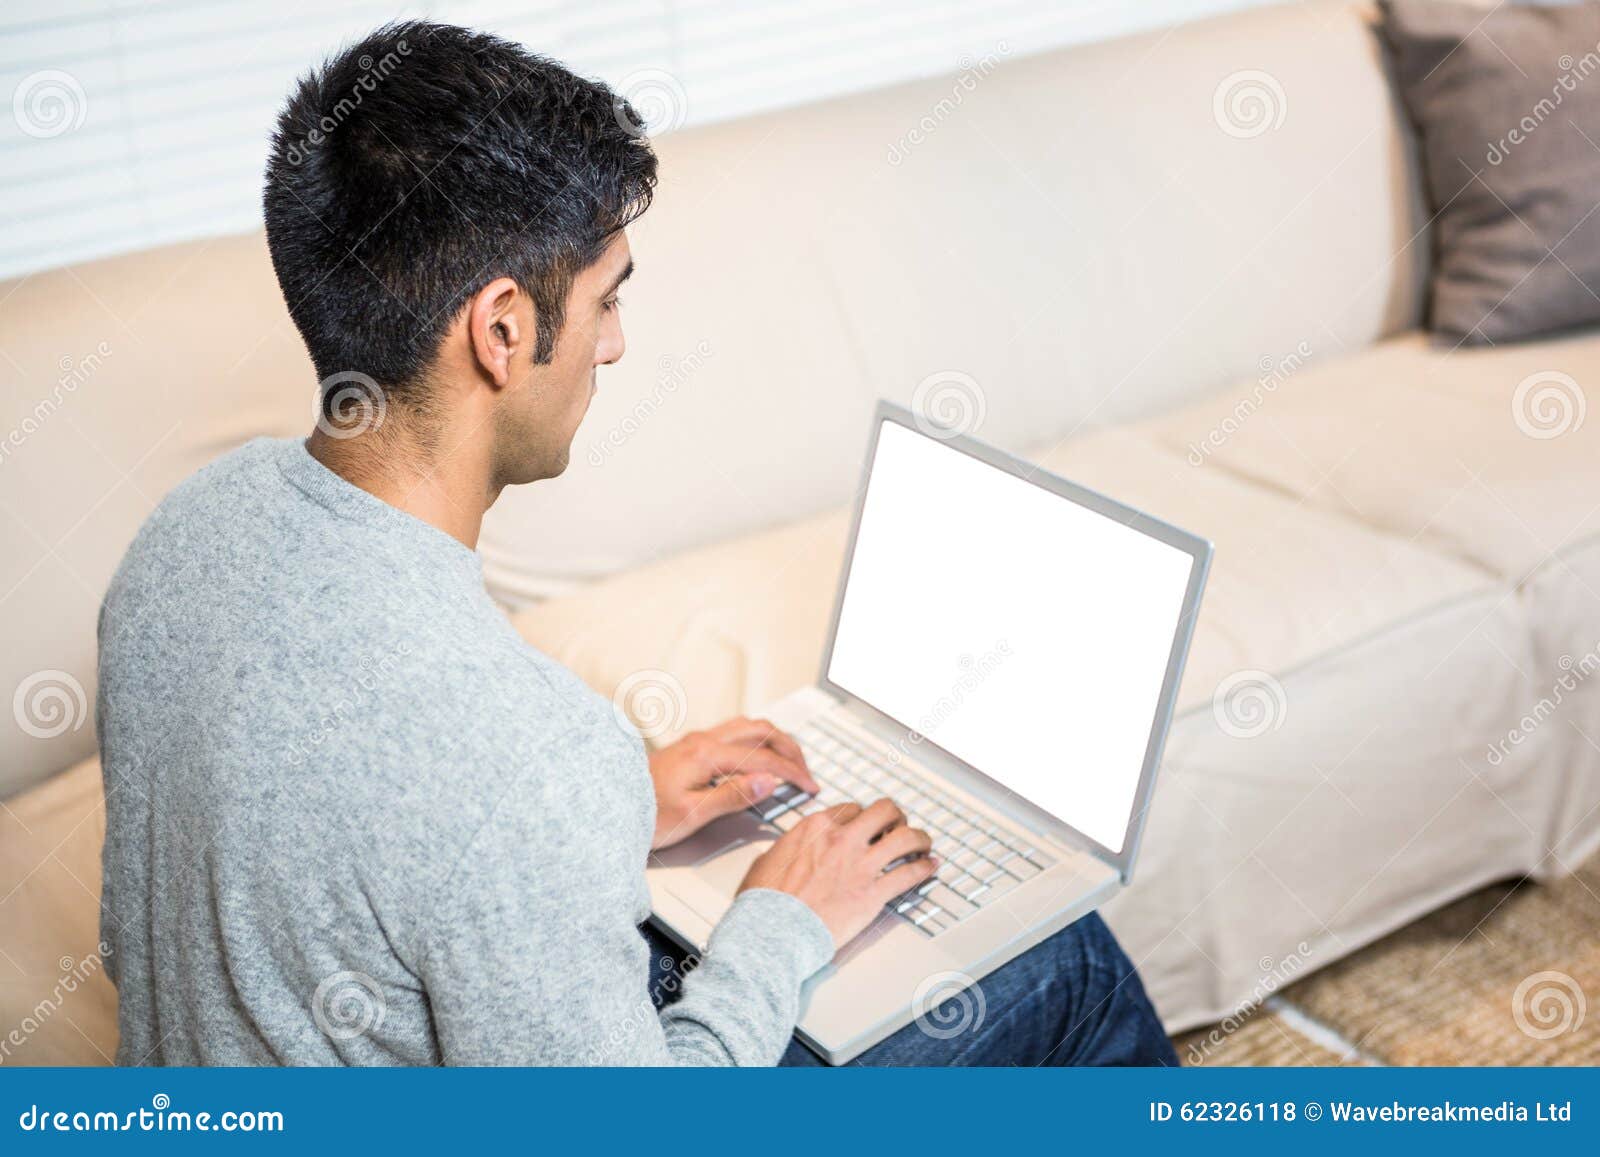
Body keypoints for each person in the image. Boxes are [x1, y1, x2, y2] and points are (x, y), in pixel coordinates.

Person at [95, 21, 1175, 1067]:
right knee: (1069, 962)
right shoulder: (517, 756)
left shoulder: (185, 532)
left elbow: (345, 839)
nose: (613, 344)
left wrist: (611, 808)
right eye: (605, 299)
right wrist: (781, 923)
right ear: (503, 328)